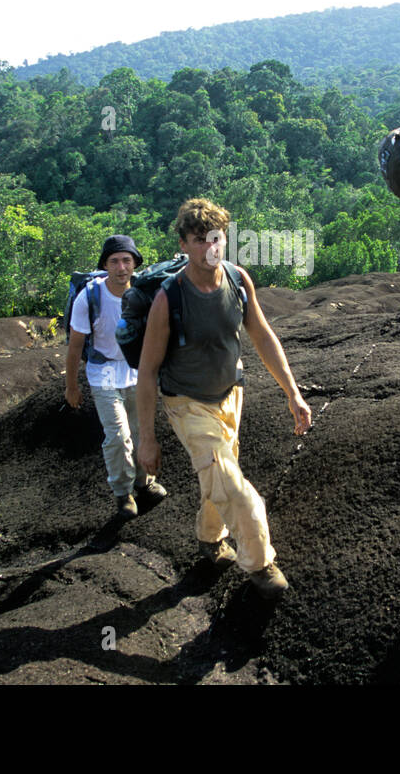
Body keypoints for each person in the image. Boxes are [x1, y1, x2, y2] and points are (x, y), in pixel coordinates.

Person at [136, 199, 312, 600]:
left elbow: (264, 337)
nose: (211, 248)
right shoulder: (170, 298)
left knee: (218, 475)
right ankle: (260, 565)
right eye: (200, 240)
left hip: (231, 396)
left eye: (217, 238)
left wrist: (293, 393)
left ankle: (209, 538)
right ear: (183, 245)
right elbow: (147, 372)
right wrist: (147, 437)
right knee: (235, 487)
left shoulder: (237, 280)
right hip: (187, 404)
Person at [66, 235, 167, 520]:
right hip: (104, 373)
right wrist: (71, 386)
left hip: (138, 371)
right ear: (105, 265)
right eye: (114, 261)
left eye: (127, 260)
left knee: (140, 432)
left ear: (135, 263)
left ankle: (144, 483)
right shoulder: (90, 297)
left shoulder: (145, 293)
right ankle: (123, 494)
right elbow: (75, 346)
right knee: (118, 436)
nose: (121, 267)